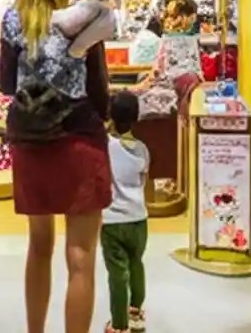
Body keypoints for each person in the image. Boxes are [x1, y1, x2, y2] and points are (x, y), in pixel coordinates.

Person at [0, 0, 113, 333]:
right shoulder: (85, 17)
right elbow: (98, 86)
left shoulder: (13, 19)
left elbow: (6, 82)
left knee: (39, 245)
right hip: (78, 138)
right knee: (80, 255)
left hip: (31, 141)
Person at [102, 91, 149, 333]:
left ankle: (119, 324)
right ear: (136, 117)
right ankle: (136, 312)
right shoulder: (142, 150)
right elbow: (143, 182)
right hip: (139, 218)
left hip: (112, 220)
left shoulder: (106, 146)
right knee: (136, 264)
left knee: (118, 273)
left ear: (110, 115)